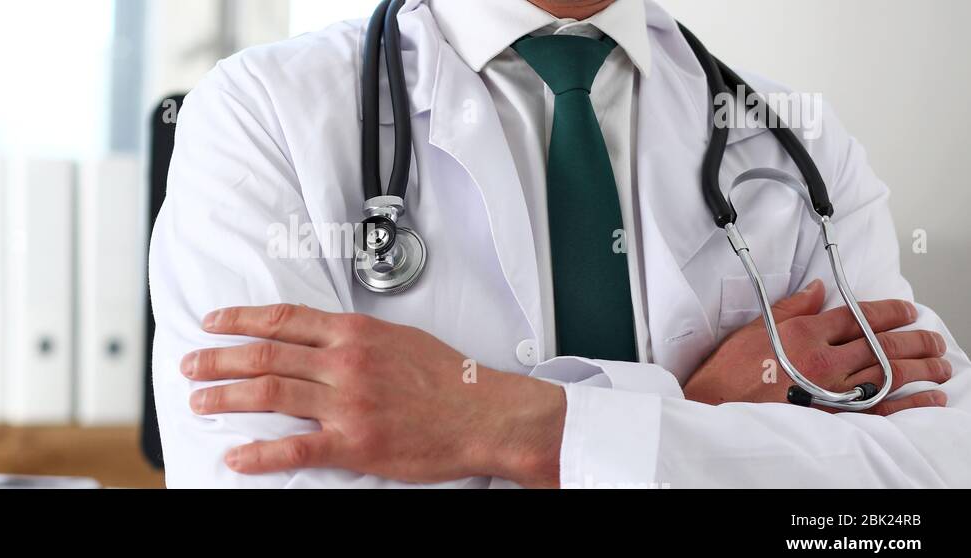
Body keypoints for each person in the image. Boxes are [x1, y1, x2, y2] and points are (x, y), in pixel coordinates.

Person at [148, 0, 969, 488]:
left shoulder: (795, 146)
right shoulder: (265, 118)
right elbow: (273, 475)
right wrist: (701, 413)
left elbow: (907, 495)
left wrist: (511, 427)